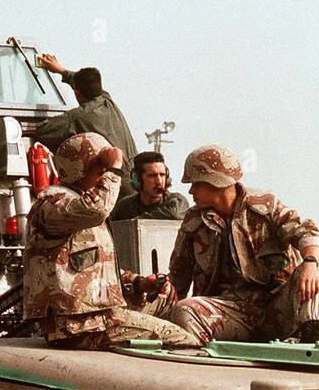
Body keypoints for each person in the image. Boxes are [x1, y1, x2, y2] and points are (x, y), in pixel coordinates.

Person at [22, 133, 198, 350]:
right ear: (79, 171)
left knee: (167, 297)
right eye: (100, 171)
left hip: (99, 314)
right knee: (184, 340)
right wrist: (114, 169)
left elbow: (93, 267)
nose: (105, 177)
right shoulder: (53, 204)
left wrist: (137, 283)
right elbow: (97, 209)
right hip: (79, 326)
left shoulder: (79, 204)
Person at [150, 144, 319, 344]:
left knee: (316, 264)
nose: (191, 190)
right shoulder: (193, 220)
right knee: (184, 310)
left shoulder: (265, 206)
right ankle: (207, 357)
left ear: (216, 182)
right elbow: (178, 280)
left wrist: (310, 262)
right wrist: (162, 291)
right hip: (230, 312)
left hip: (277, 308)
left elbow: (309, 232)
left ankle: (314, 336)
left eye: (196, 184)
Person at [29, 54, 139, 171]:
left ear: (76, 92)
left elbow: (42, 132)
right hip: (138, 173)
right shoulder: (107, 99)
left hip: (117, 180)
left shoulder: (76, 117)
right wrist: (61, 70)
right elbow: (86, 82)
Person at [110, 152, 190, 221]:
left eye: (162, 175)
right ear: (137, 179)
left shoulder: (177, 201)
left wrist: (135, 222)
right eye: (152, 176)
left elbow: (174, 214)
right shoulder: (125, 207)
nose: (159, 181)